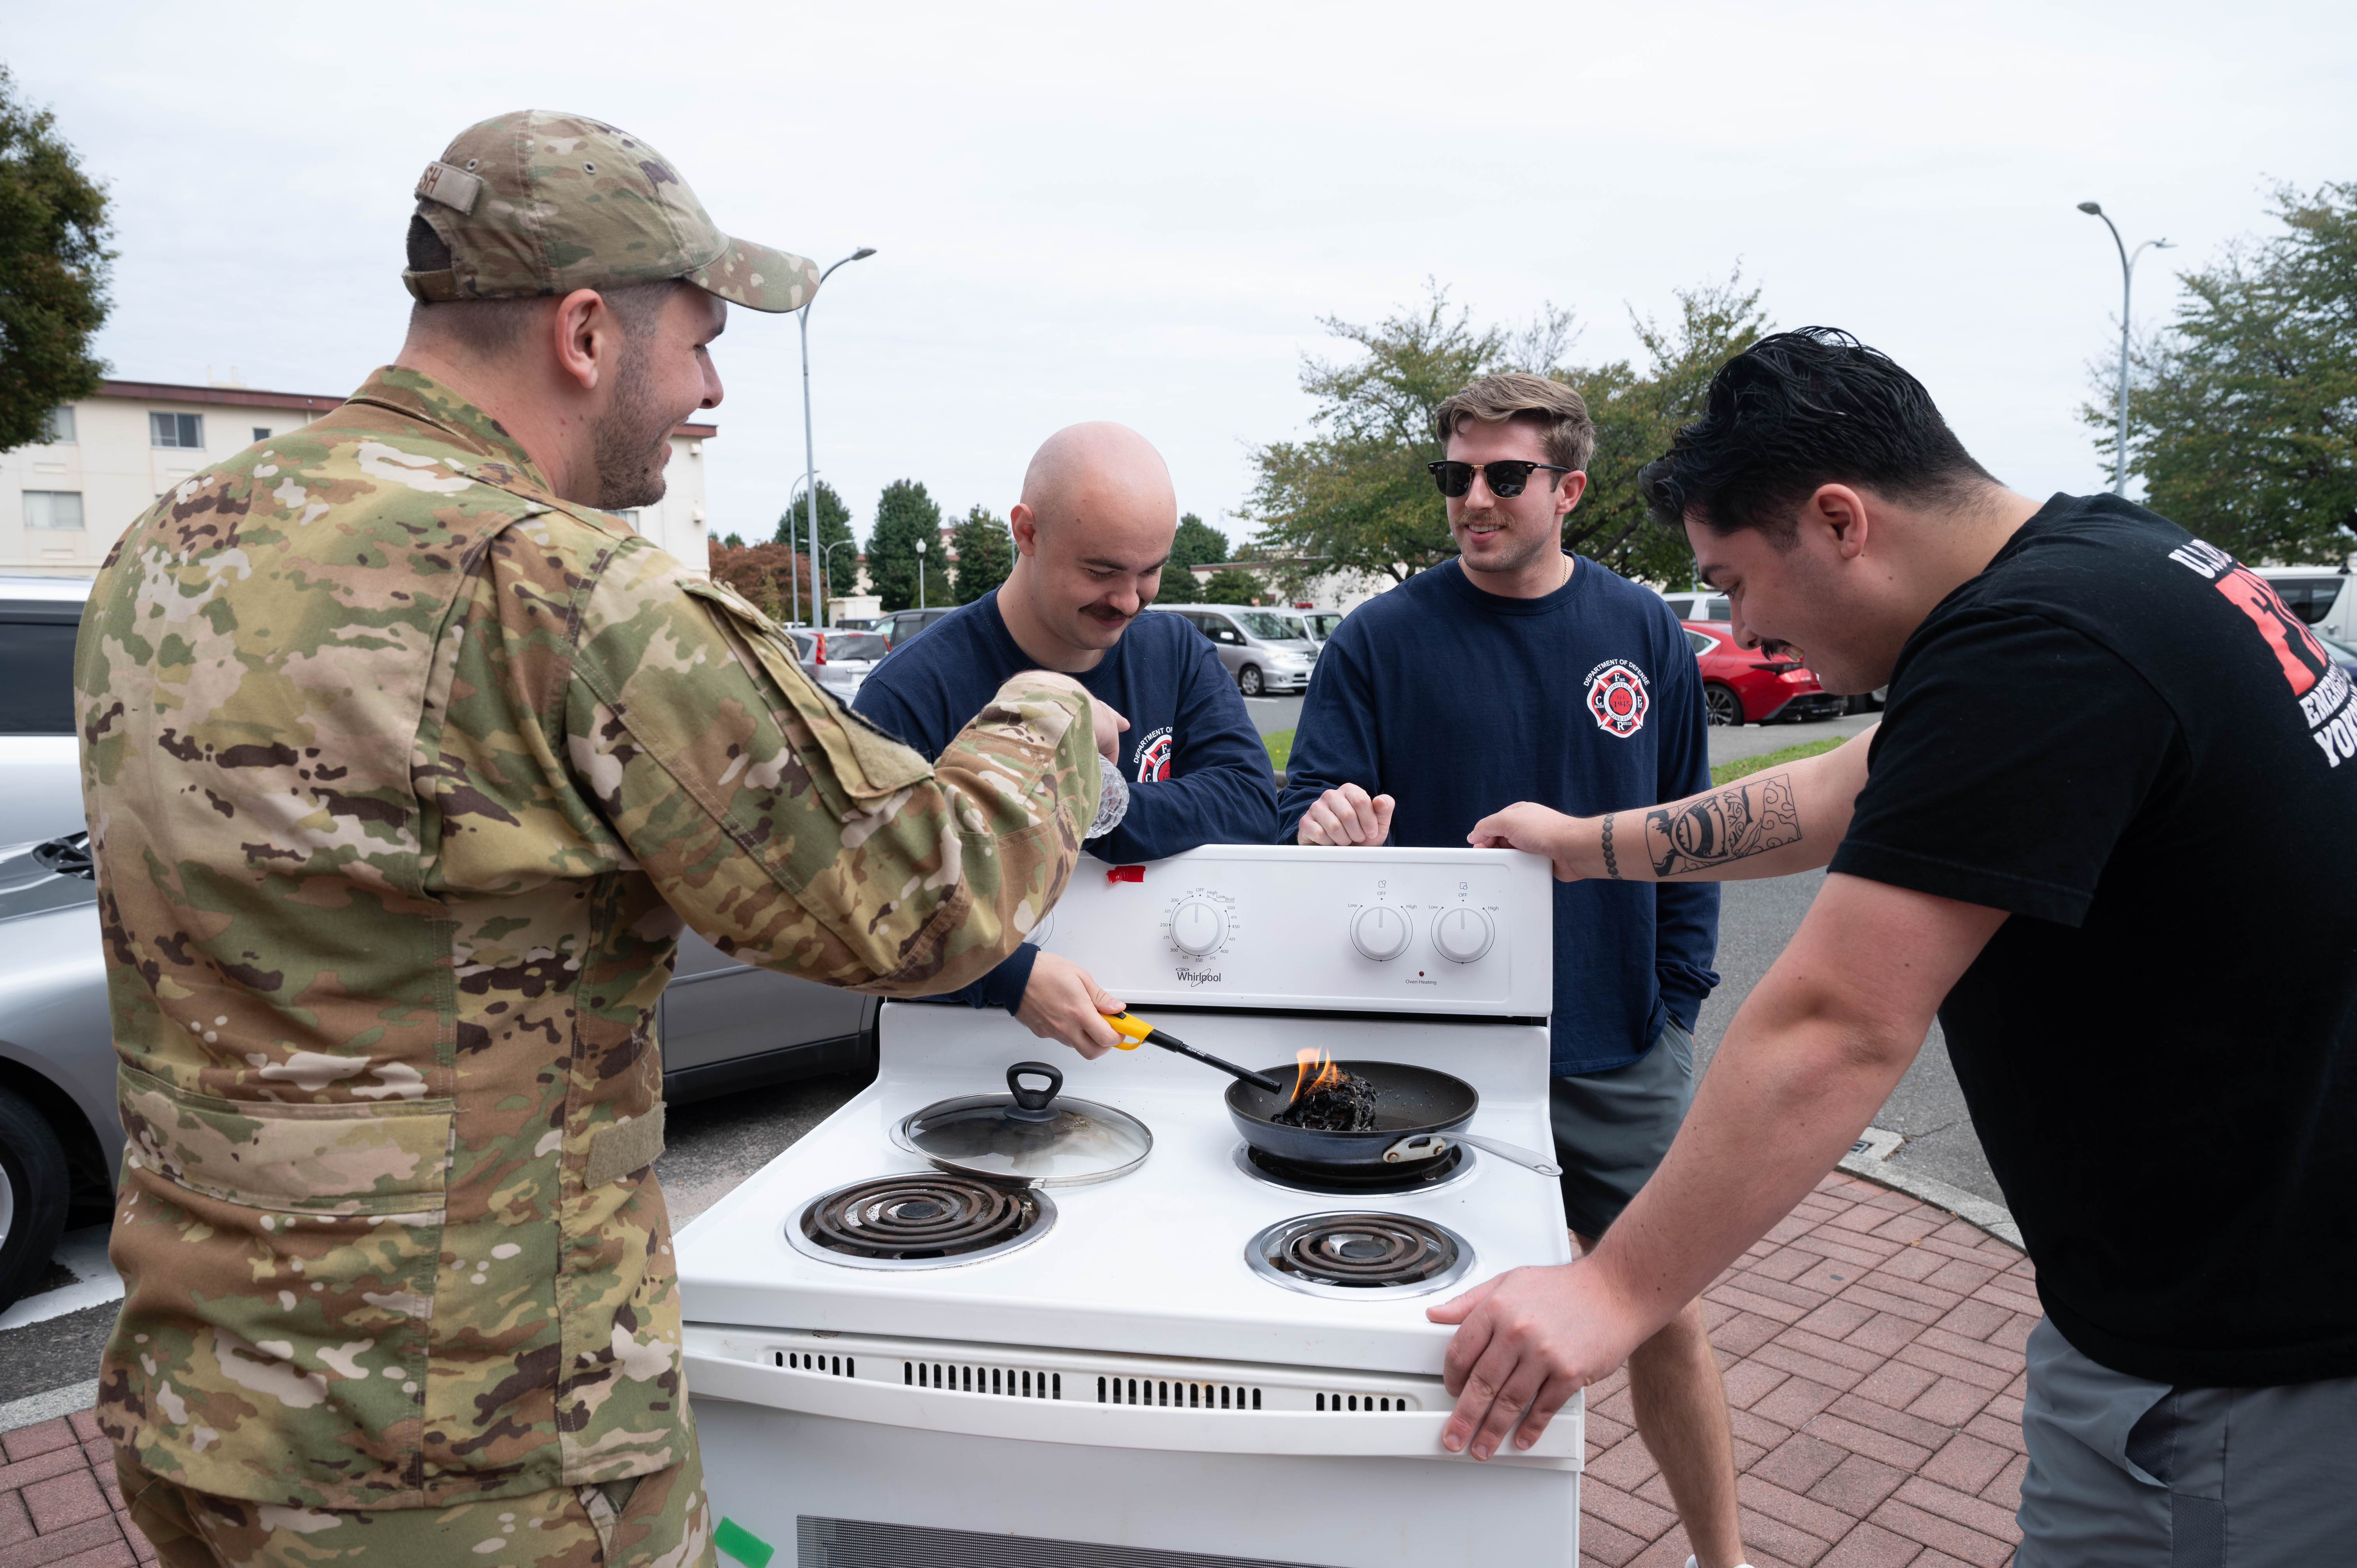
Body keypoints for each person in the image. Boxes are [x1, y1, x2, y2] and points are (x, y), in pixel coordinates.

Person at [76, 111, 1115, 1568]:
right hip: (472, 1461)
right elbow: (917, 906)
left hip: (199, 1409)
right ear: (582, 332)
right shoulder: (558, 590)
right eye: (696, 340)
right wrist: (1044, 718)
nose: (706, 389)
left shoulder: (167, 543)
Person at [1442, 329, 2357, 1564]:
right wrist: (1582, 844)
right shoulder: (2111, 565)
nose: (1750, 634)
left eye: (1740, 581)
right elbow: (1835, 796)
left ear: (1838, 521)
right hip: (2191, 1313)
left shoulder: (2036, 653)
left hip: (2247, 1364)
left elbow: (1839, 1024)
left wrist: (1608, 1291)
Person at [1280, 374, 1746, 1568]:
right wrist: (1326, 821)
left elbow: (1689, 826)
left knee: (1665, 1314)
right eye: (1455, 477)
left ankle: (1721, 1560)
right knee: (1388, 1304)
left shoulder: (1641, 631)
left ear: (1570, 490)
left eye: (1504, 477)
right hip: (1411, 1052)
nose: (1473, 499)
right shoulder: (1380, 638)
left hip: (1615, 1044)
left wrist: (1676, 1004)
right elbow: (1304, 809)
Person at [853, 422, 1278, 1057]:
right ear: (1026, 532)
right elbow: (872, 902)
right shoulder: (910, 692)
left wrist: (1099, 800)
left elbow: (1249, 805)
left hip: (1171, 1029)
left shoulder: (1178, 654)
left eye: (1151, 571)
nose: (1130, 601)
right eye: (1103, 571)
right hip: (960, 1053)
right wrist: (1007, 977)